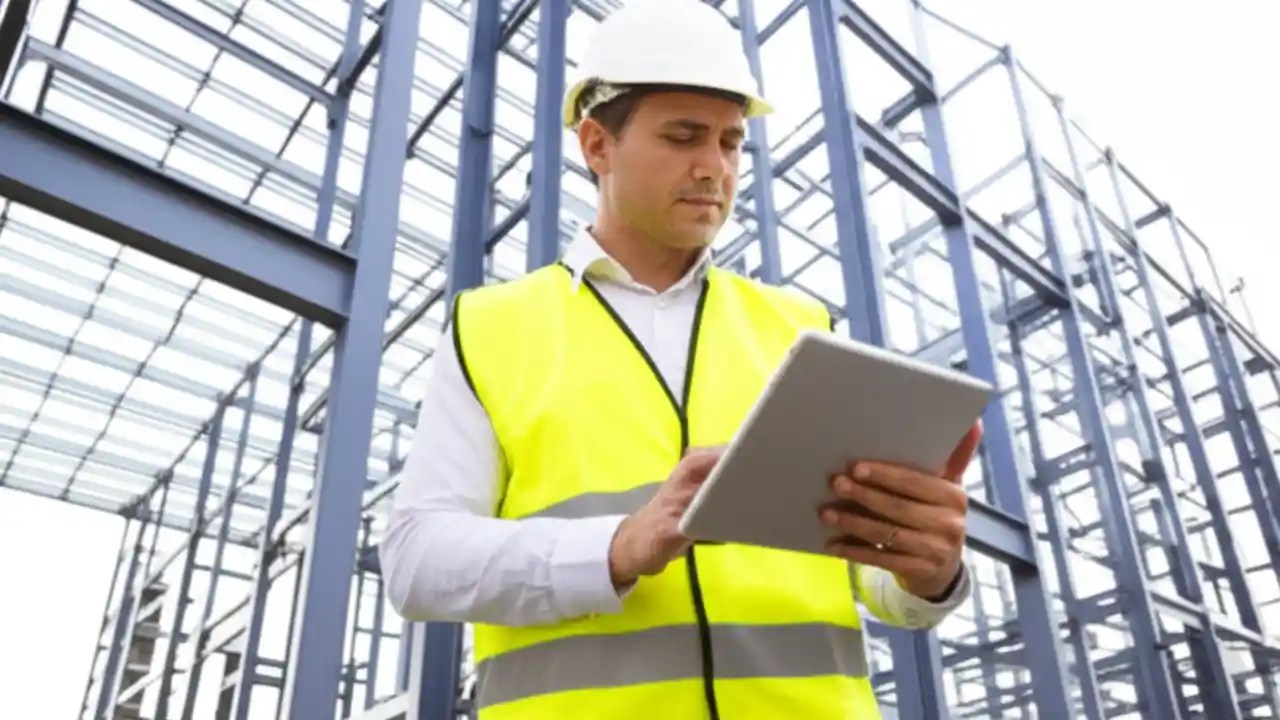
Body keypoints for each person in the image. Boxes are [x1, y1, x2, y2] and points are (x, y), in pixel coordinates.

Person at [381, 0, 978, 717]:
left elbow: (869, 586)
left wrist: (929, 575)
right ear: (597, 146)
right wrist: (615, 548)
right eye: (683, 137)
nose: (714, 168)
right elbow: (415, 563)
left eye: (729, 142)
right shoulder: (492, 327)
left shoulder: (801, 328)